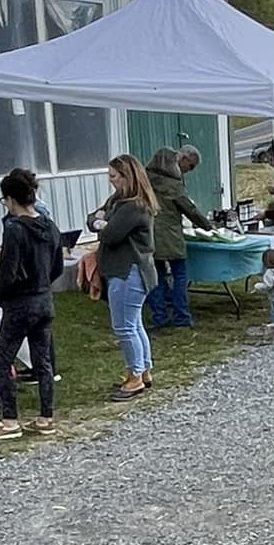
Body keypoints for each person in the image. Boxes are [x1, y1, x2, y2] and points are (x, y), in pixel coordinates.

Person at [0, 166, 63, 442]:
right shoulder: (50, 226)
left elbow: (8, 271)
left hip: (20, 304)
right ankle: (46, 417)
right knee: (43, 361)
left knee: (1, 361)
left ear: (11, 199)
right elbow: (58, 266)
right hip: (44, 300)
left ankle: (9, 420)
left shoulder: (14, 229)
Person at [90, 154, 159, 400]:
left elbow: (110, 235)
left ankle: (135, 377)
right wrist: (100, 222)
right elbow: (93, 218)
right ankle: (144, 369)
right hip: (128, 270)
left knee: (124, 327)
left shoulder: (133, 206)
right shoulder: (119, 201)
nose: (110, 181)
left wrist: (102, 223)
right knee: (135, 323)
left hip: (129, 271)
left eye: (113, 176)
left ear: (127, 176)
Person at [145, 146, 214, 331]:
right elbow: (189, 209)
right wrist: (208, 226)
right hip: (170, 234)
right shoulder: (173, 184)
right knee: (180, 276)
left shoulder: (147, 177)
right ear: (181, 158)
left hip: (149, 234)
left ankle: (159, 317)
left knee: (156, 278)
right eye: (189, 166)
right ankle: (181, 317)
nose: (188, 171)